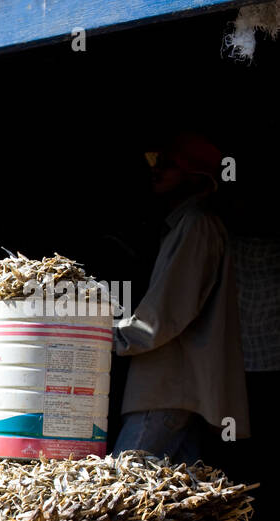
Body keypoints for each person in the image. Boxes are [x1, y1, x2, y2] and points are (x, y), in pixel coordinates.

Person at [111, 134, 249, 467]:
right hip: (177, 391)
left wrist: (108, 338)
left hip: (167, 388)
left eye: (170, 166)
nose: (157, 171)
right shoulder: (185, 225)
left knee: (124, 482)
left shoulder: (197, 226)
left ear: (197, 178)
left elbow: (167, 310)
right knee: (185, 502)